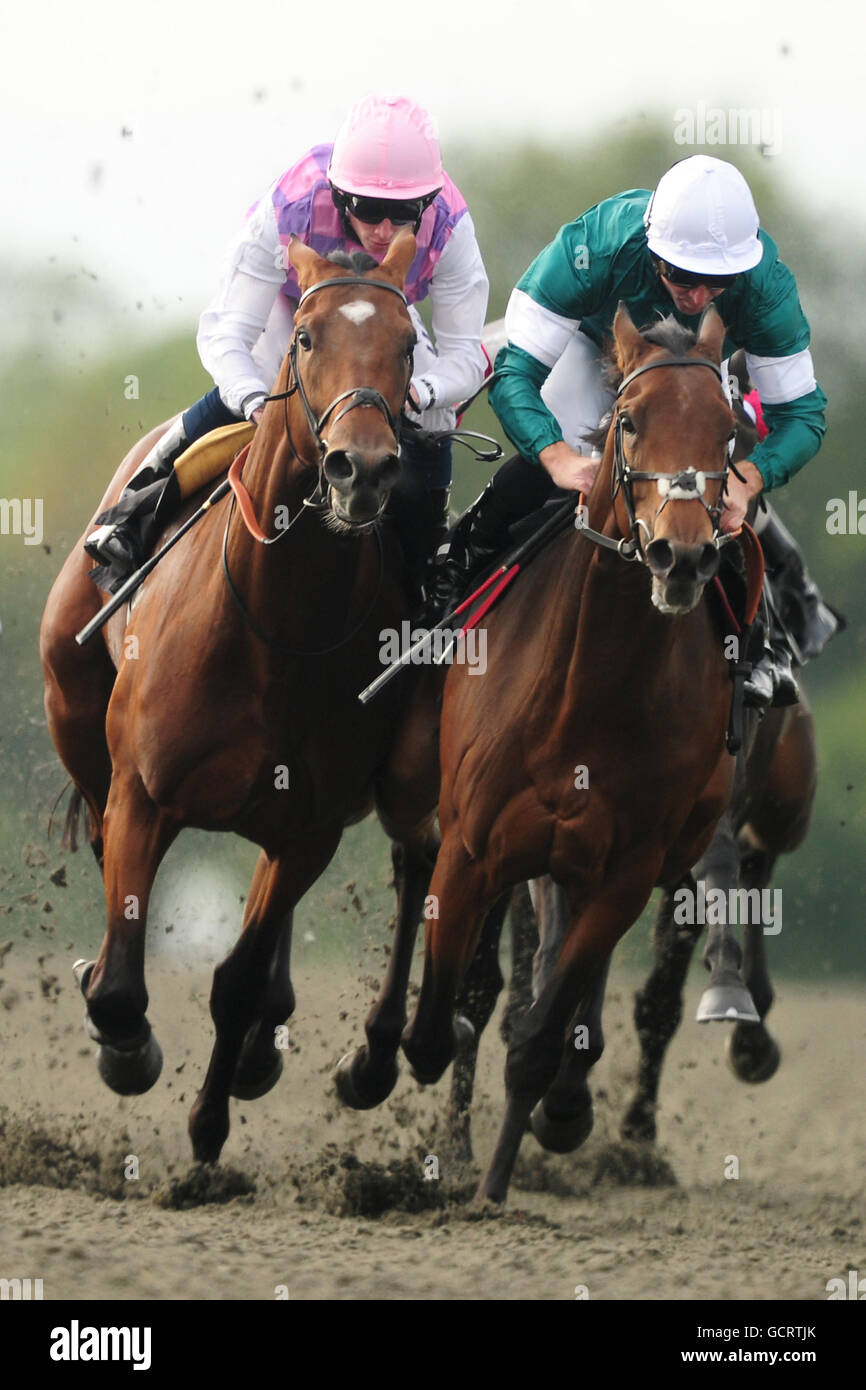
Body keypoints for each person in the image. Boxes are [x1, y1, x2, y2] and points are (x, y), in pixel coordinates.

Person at [431, 155, 838, 704]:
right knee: (560, 448)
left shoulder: (765, 286)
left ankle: (758, 643)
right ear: (651, 250)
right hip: (592, 344)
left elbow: (803, 415)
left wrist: (751, 476)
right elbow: (515, 373)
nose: (695, 296)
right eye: (679, 275)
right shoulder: (593, 247)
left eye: (715, 282)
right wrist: (556, 457)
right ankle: (459, 568)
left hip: (694, 365)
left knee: (715, 482)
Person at [85, 95, 489, 597]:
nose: (384, 231)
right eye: (368, 209)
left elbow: (465, 355)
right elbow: (226, 333)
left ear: (428, 202)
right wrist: (254, 400)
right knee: (260, 386)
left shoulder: (452, 226)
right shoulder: (290, 207)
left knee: (435, 416)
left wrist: (422, 392)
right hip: (295, 303)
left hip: (381, 315)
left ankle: (428, 566)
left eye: (403, 212)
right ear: (341, 196)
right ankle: (132, 515)